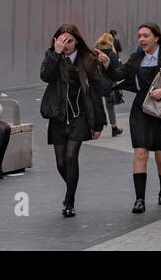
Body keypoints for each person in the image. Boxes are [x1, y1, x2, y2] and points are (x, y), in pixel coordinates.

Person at [107, 23, 161, 214]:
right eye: (139, 36)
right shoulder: (136, 58)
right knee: (140, 153)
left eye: (146, 36)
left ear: (156, 37)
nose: (141, 39)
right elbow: (117, 74)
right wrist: (107, 64)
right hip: (141, 108)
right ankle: (139, 199)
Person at [40, 25, 113, 216]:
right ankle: (71, 188)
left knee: (71, 157)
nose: (65, 45)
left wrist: (99, 123)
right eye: (61, 40)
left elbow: (98, 92)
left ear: (77, 41)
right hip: (58, 116)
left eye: (69, 41)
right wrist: (55, 54)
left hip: (80, 116)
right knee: (61, 164)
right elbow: (45, 76)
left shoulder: (88, 59)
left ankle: (69, 201)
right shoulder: (52, 57)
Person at [94, 33, 124, 138]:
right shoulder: (112, 53)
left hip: (96, 82)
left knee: (95, 105)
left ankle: (94, 129)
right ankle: (114, 128)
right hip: (109, 83)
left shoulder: (94, 52)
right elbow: (115, 69)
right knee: (110, 107)